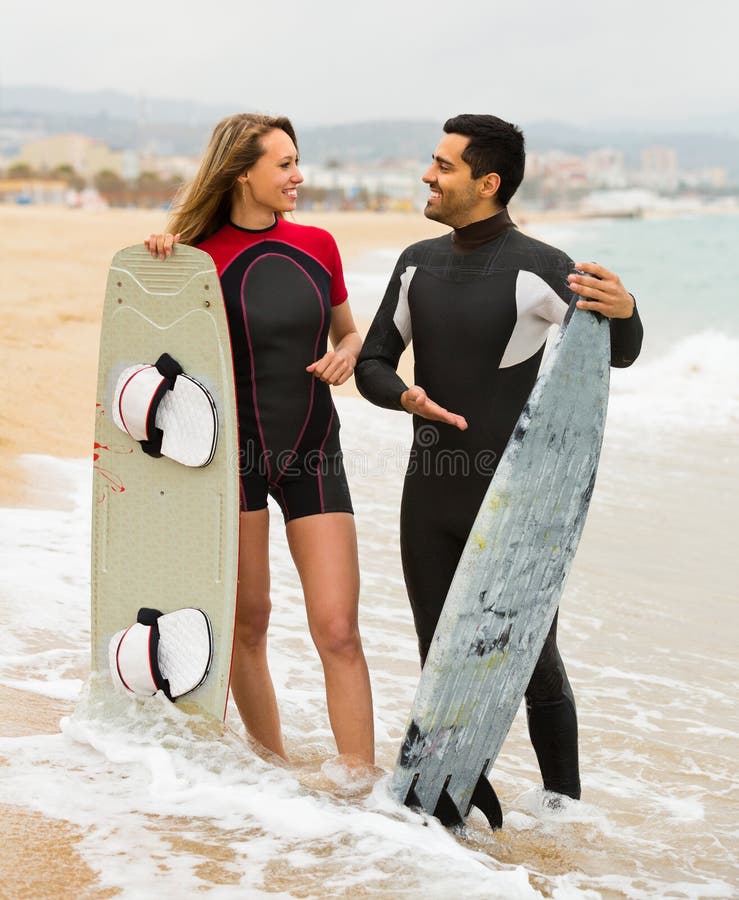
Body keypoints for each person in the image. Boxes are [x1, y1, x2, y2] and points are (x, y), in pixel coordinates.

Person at [354, 113, 643, 800]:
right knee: (439, 663)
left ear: (487, 182)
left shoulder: (538, 266)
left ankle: (562, 813)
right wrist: (404, 398)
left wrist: (625, 308)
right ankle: (441, 808)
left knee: (531, 660)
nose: (427, 174)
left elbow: (616, 353)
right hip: (428, 494)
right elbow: (371, 364)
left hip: (508, 503)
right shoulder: (415, 263)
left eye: (443, 165)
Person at [145, 113, 374, 766]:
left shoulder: (318, 245)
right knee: (249, 624)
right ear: (241, 170)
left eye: (297, 161)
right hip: (231, 461)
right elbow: (158, 358)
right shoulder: (195, 259)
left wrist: (350, 353)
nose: (297, 175)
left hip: (312, 449)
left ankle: (363, 786)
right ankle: (271, 769)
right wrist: (161, 260)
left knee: (338, 630)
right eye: (283, 164)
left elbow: (347, 332)